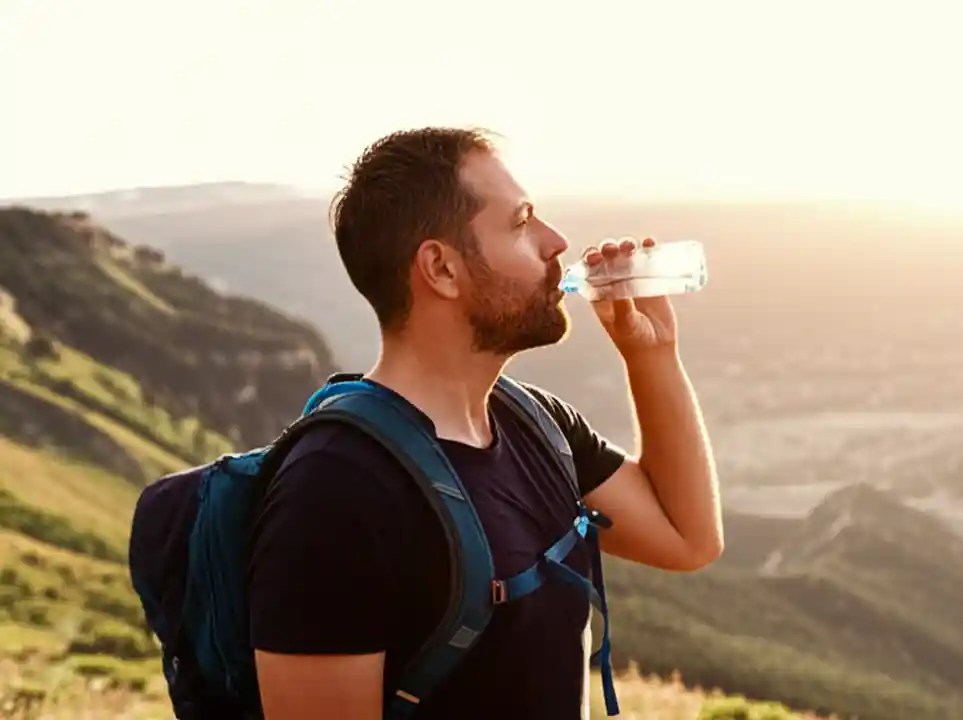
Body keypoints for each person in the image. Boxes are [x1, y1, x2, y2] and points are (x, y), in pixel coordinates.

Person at [246, 127, 723, 719]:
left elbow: (688, 538)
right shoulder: (335, 490)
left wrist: (652, 354)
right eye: (522, 223)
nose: (557, 242)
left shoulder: (537, 426)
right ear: (441, 268)